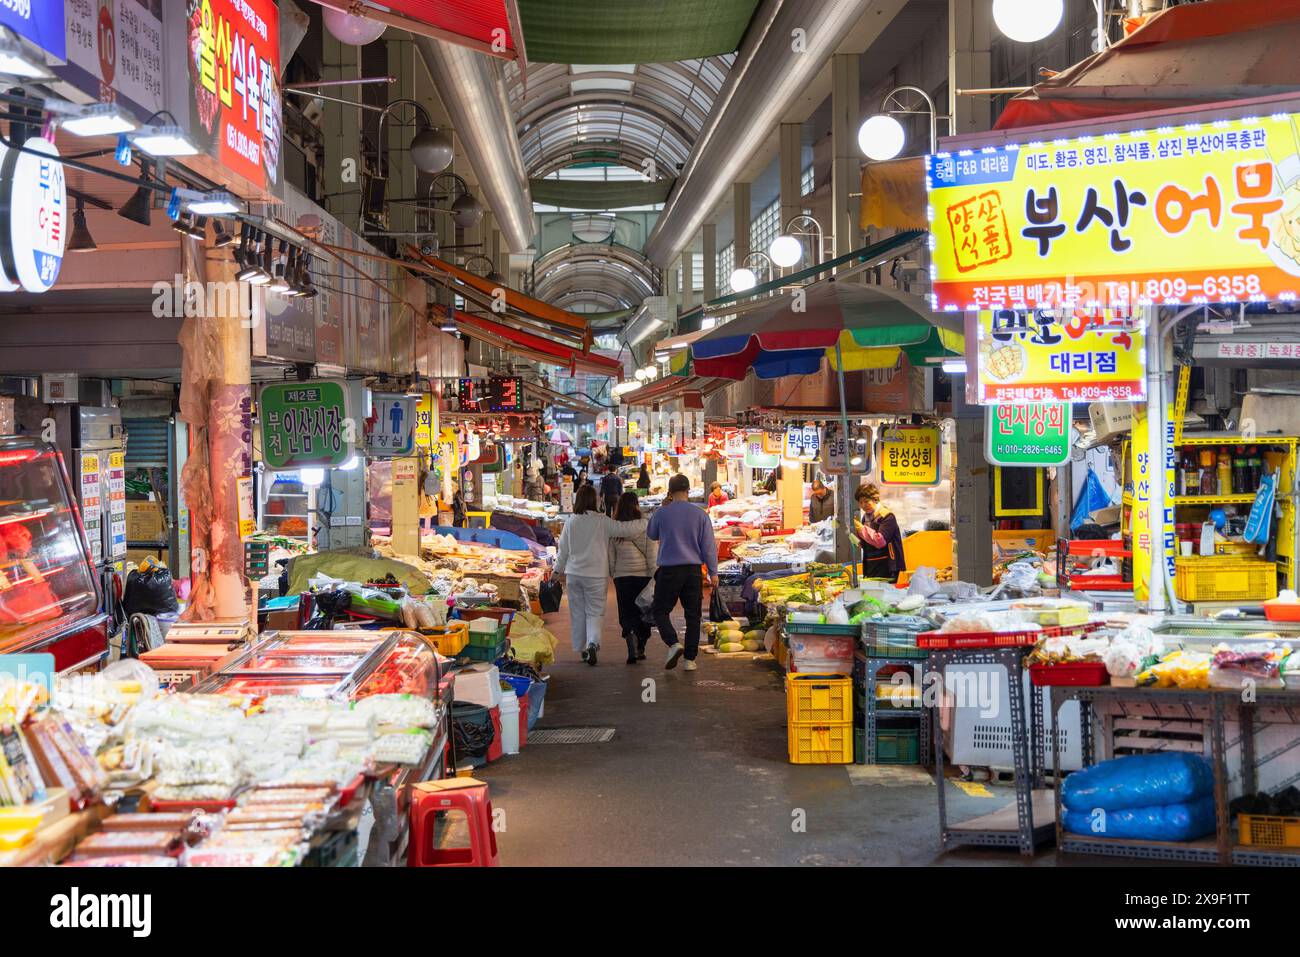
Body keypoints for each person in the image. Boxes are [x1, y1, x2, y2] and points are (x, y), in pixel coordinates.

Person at [553, 485, 648, 666]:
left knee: (578, 612)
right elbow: (625, 529)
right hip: (596, 575)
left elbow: (563, 550)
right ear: (594, 500)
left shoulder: (571, 521)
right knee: (595, 612)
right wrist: (646, 522)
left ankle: (582, 649)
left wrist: (557, 572)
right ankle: (592, 643)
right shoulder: (601, 521)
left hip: (574, 574)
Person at [646, 473, 718, 671]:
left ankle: (673, 642)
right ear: (688, 491)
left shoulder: (662, 513)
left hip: (669, 570)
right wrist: (714, 573)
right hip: (693, 571)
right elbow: (709, 546)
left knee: (659, 610)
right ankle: (690, 660)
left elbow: (651, 534)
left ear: (670, 492)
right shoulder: (700, 514)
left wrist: (663, 508)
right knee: (693, 615)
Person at [608, 491, 655, 664]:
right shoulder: (645, 526)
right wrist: (655, 573)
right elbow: (651, 553)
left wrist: (614, 574)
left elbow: (610, 555)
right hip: (643, 576)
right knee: (643, 612)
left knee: (627, 613)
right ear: (636, 505)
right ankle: (640, 646)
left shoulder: (615, 527)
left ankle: (631, 641)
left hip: (622, 577)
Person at [854, 483, 905, 582]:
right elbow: (865, 543)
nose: (863, 506)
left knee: (885, 595)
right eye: (860, 502)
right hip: (870, 564)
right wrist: (855, 537)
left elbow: (880, 541)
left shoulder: (887, 516)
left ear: (875, 499)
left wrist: (861, 528)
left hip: (888, 566)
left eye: (866, 501)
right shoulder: (865, 517)